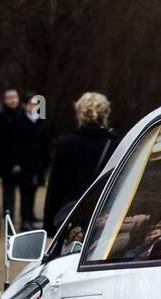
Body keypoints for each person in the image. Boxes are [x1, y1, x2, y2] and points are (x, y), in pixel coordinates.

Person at [43, 92, 120, 233]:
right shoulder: (116, 146)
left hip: (70, 218)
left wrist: (49, 225)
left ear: (79, 113)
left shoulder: (65, 144)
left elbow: (55, 188)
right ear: (106, 114)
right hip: (103, 217)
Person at [0, 89, 47, 231]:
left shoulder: (40, 120)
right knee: (24, 192)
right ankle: (25, 221)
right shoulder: (18, 120)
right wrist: (17, 162)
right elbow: (15, 143)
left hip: (37, 163)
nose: (33, 106)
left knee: (33, 190)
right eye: (30, 104)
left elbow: (44, 142)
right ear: (24, 105)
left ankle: (30, 216)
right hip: (24, 164)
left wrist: (46, 161)